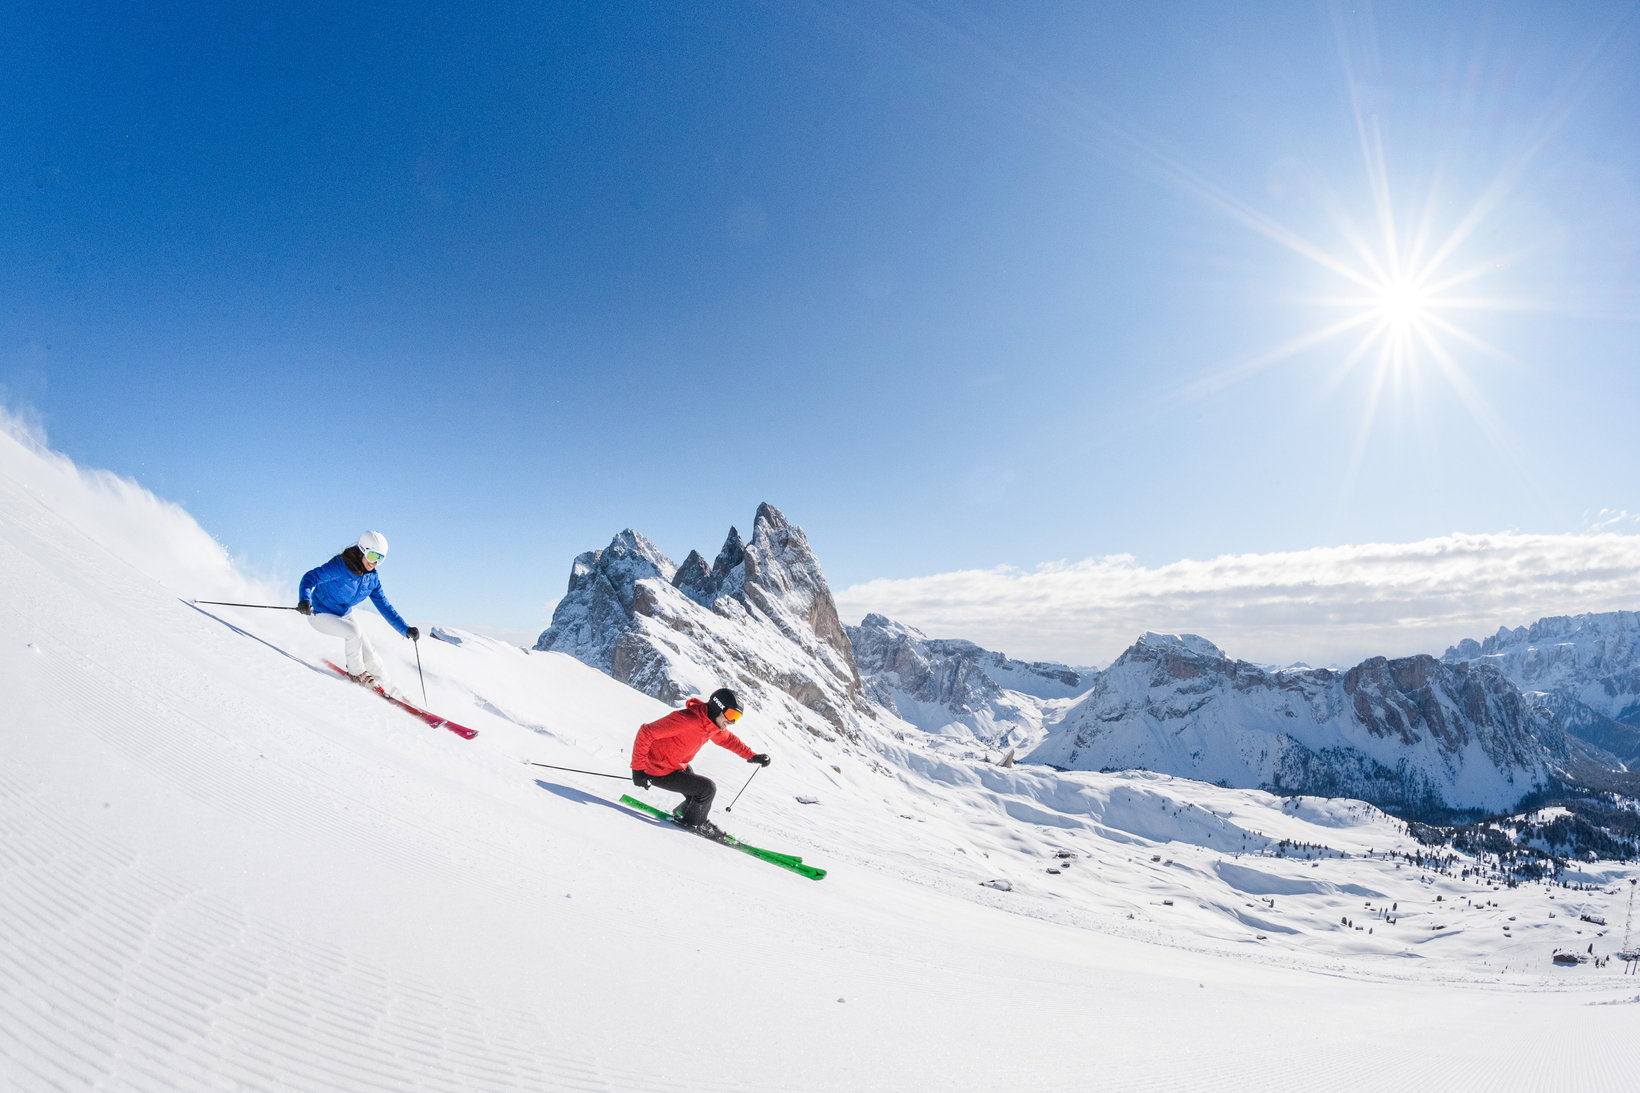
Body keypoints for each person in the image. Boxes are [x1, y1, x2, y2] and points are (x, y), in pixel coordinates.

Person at [631, 688, 771, 838]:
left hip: (674, 766)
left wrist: (752, 756)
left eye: (736, 717)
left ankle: (683, 814)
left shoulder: (711, 725)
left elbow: (729, 740)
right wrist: (638, 771)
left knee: (697, 793)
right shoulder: (687, 720)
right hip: (655, 770)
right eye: (731, 715)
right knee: (706, 789)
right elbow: (646, 732)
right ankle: (694, 824)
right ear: (718, 707)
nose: (732, 722)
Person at [298, 530, 420, 692]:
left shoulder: (372, 579)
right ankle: (356, 673)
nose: (375, 563)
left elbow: (385, 606)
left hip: (343, 613)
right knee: (354, 633)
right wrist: (305, 599)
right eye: (372, 556)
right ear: (362, 550)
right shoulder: (340, 566)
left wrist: (406, 629)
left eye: (380, 559)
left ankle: (388, 686)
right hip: (319, 612)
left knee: (372, 657)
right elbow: (310, 577)